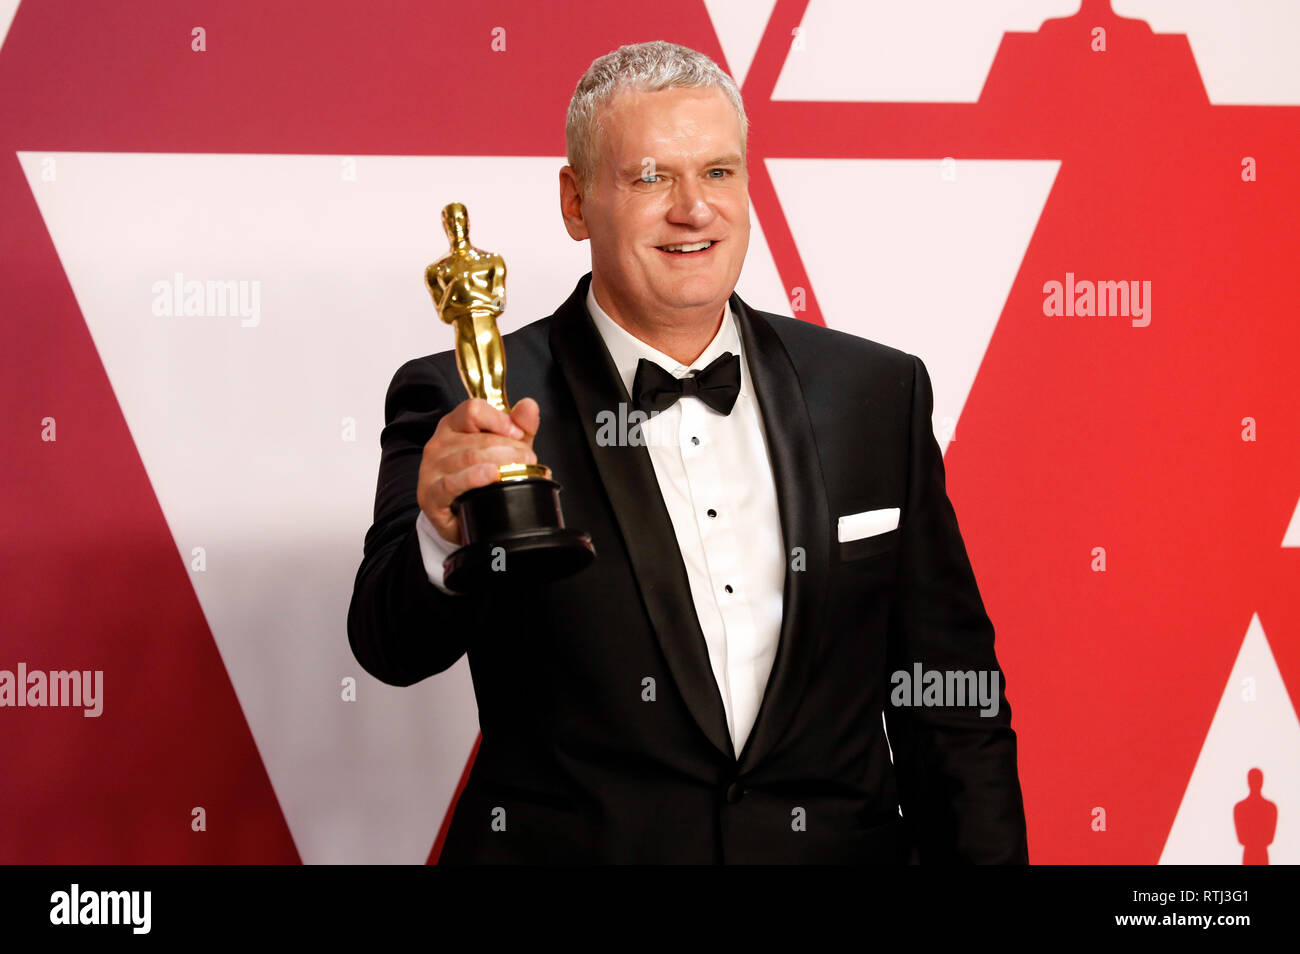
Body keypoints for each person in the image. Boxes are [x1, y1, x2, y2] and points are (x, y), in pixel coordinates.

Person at [347, 40, 1028, 864]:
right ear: (575, 201)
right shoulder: (466, 399)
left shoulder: (876, 391)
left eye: (718, 173)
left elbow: (952, 710)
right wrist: (441, 535)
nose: (693, 209)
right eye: (649, 177)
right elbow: (389, 648)